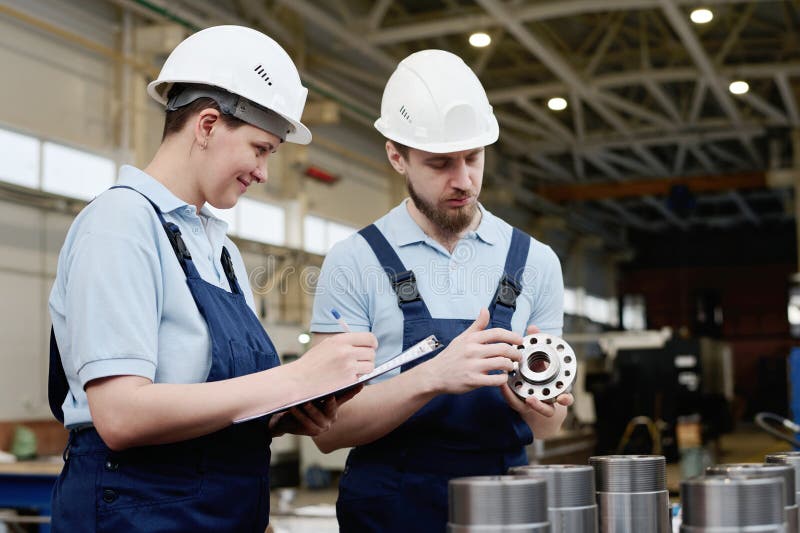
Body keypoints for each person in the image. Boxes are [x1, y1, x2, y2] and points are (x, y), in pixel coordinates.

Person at [47, 25, 376, 532]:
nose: (265, 172)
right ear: (206, 125)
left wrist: (289, 410)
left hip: (225, 511)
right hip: (139, 512)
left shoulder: (219, 249)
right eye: (261, 149)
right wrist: (294, 377)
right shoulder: (119, 223)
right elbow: (121, 414)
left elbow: (217, 400)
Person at [310, 49, 573, 532]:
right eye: (440, 163)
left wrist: (535, 405)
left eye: (473, 158)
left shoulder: (536, 261)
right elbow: (328, 431)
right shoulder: (354, 261)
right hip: (391, 509)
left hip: (506, 508)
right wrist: (433, 376)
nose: (463, 180)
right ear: (397, 156)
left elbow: (546, 427)